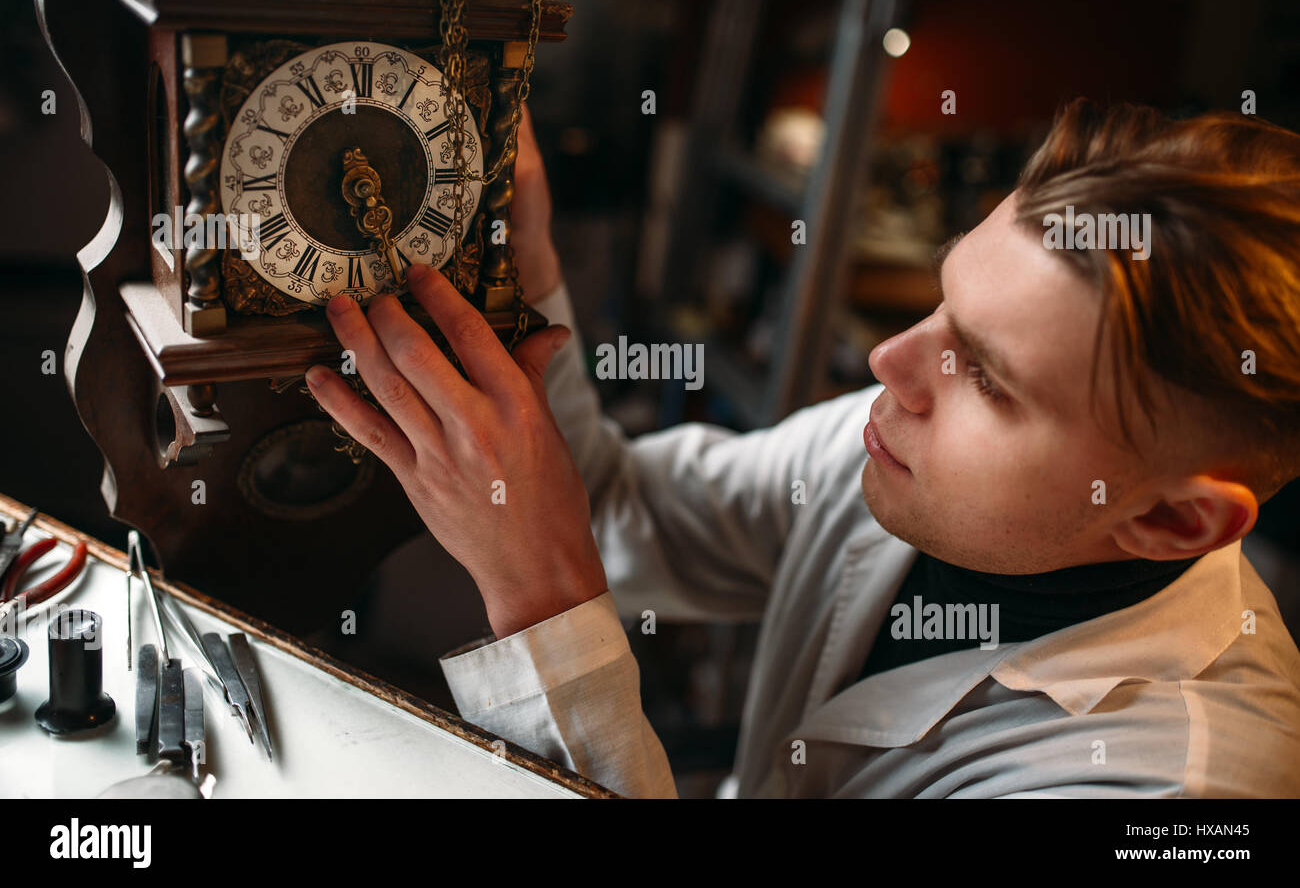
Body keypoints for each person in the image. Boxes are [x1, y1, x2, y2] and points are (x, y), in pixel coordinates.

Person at [304, 98, 1300, 798]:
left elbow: (573, 555)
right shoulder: (904, 445)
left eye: (988, 378)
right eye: (941, 304)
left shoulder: (1168, 790)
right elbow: (621, 518)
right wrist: (520, 273)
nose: (891, 361)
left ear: (1172, 519)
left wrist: (543, 612)